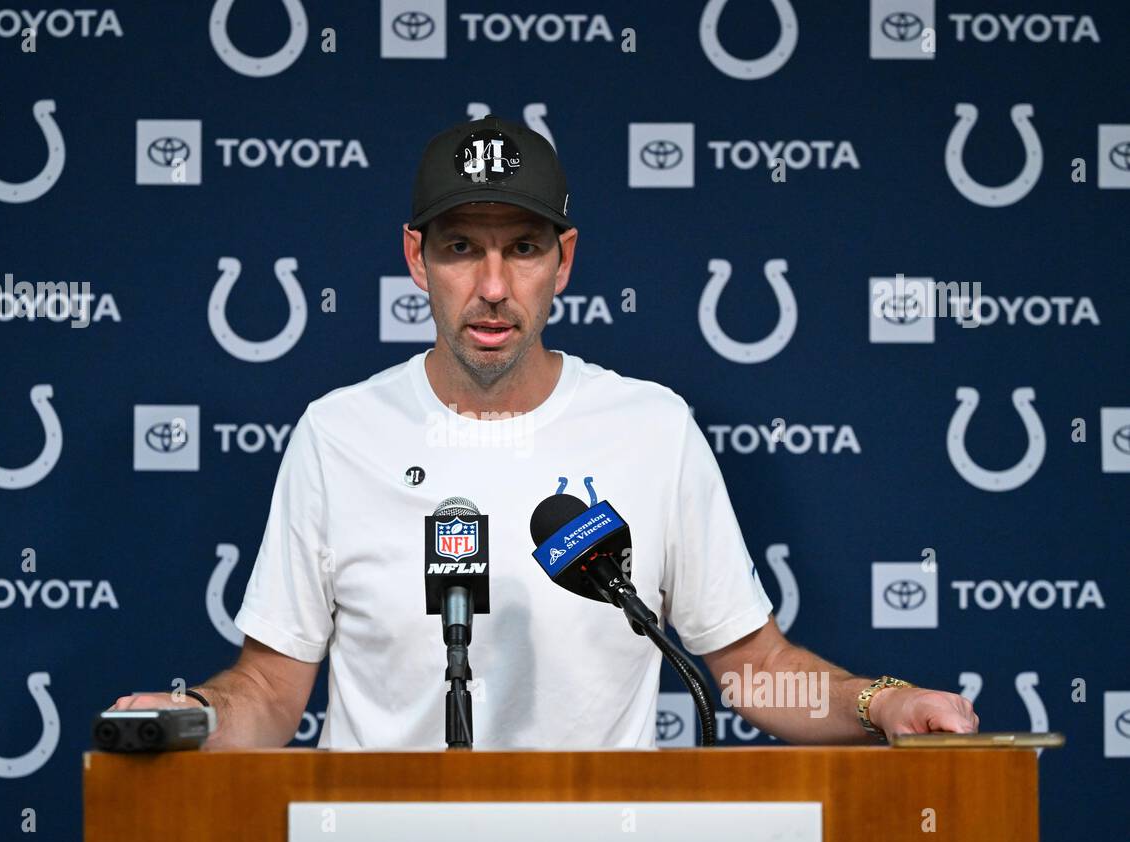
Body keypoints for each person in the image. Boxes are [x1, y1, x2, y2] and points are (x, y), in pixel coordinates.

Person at [111, 115, 979, 749]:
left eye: (522, 248)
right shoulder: (338, 434)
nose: (493, 286)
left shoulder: (652, 427)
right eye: (461, 248)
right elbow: (270, 688)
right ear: (416, 259)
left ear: (564, 260)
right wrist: (192, 716)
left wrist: (882, 701)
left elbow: (753, 668)